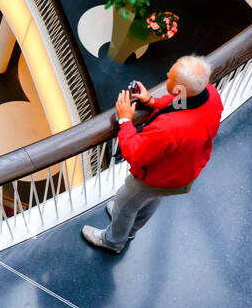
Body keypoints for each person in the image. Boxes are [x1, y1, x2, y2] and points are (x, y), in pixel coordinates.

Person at [82, 56, 222, 255]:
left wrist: (125, 120)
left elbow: (135, 153)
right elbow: (180, 103)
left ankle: (113, 241)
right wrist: (152, 101)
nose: (166, 76)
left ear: (180, 89)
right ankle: (130, 230)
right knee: (151, 199)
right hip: (178, 173)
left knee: (124, 203)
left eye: (171, 77)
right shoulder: (210, 94)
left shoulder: (168, 129)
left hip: (155, 176)